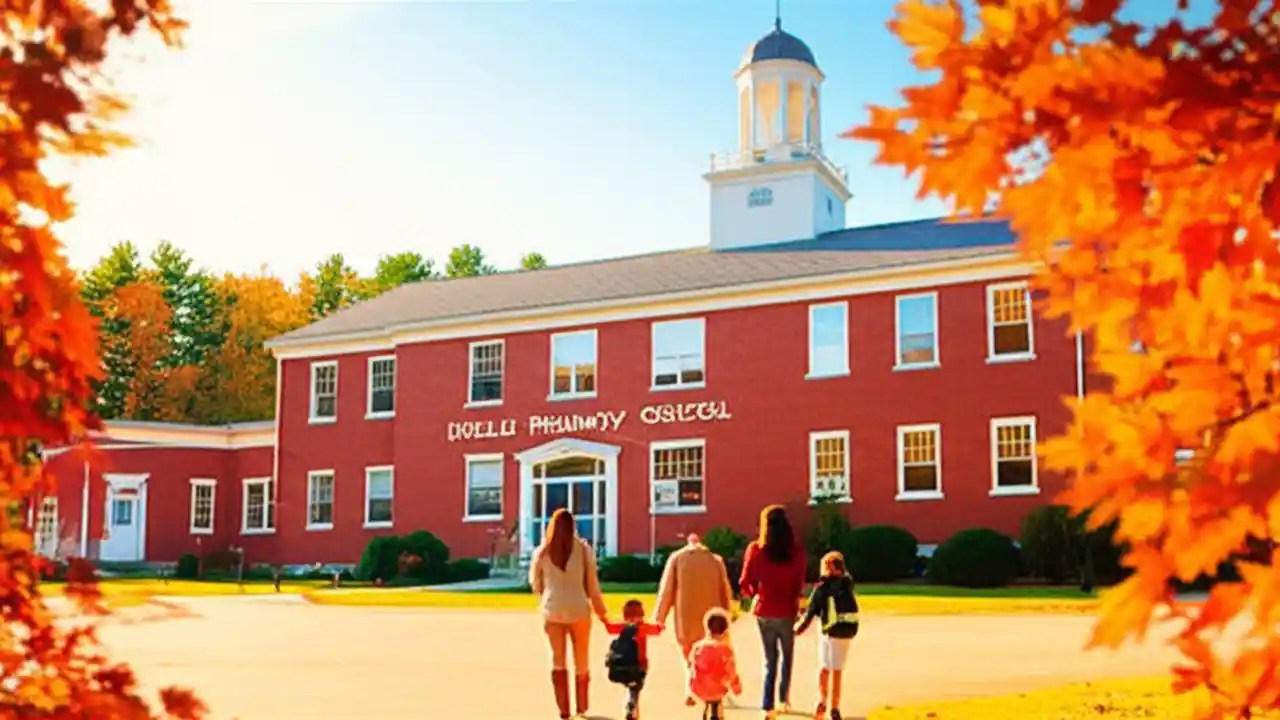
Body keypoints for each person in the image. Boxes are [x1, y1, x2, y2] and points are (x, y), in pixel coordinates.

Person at [529, 508, 609, 720]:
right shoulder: (583, 550)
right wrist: (603, 614)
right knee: (581, 660)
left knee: (558, 661)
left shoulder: (543, 551)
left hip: (552, 609)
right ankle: (581, 708)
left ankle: (563, 710)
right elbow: (592, 586)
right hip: (579, 609)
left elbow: (536, 584)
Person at [652, 532, 736, 706]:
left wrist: (659, 618)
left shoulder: (677, 559)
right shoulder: (715, 560)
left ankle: (691, 689)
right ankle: (715, 689)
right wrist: (728, 614)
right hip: (711, 616)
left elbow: (666, 589)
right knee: (713, 656)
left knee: (689, 655)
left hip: (686, 616)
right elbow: (725, 588)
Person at [739, 504, 807, 718]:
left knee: (770, 658)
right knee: (787, 655)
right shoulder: (796, 552)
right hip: (786, 609)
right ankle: (783, 698)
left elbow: (745, 581)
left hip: (764, 609)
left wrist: (754, 594)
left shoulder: (756, 550)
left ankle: (767, 704)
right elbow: (799, 583)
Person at [795, 551, 861, 720]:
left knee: (824, 667)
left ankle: (822, 701)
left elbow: (810, 613)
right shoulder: (848, 585)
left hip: (828, 631)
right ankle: (835, 708)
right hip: (846, 632)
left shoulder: (822, 588)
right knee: (838, 670)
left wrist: (796, 631)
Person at [604, 598, 663, 720]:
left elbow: (609, 627)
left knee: (631, 686)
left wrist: (604, 616)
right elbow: (658, 630)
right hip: (639, 664)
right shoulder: (643, 627)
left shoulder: (622, 626)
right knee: (636, 688)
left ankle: (632, 705)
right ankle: (632, 706)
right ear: (642, 614)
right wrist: (661, 620)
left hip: (623, 663)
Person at [687, 608, 743, 720]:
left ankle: (704, 712)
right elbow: (731, 671)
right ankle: (718, 716)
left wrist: (691, 687)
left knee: (707, 695)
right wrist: (736, 687)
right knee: (718, 698)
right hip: (718, 687)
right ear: (726, 630)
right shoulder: (726, 650)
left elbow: (691, 666)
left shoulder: (697, 647)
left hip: (698, 687)